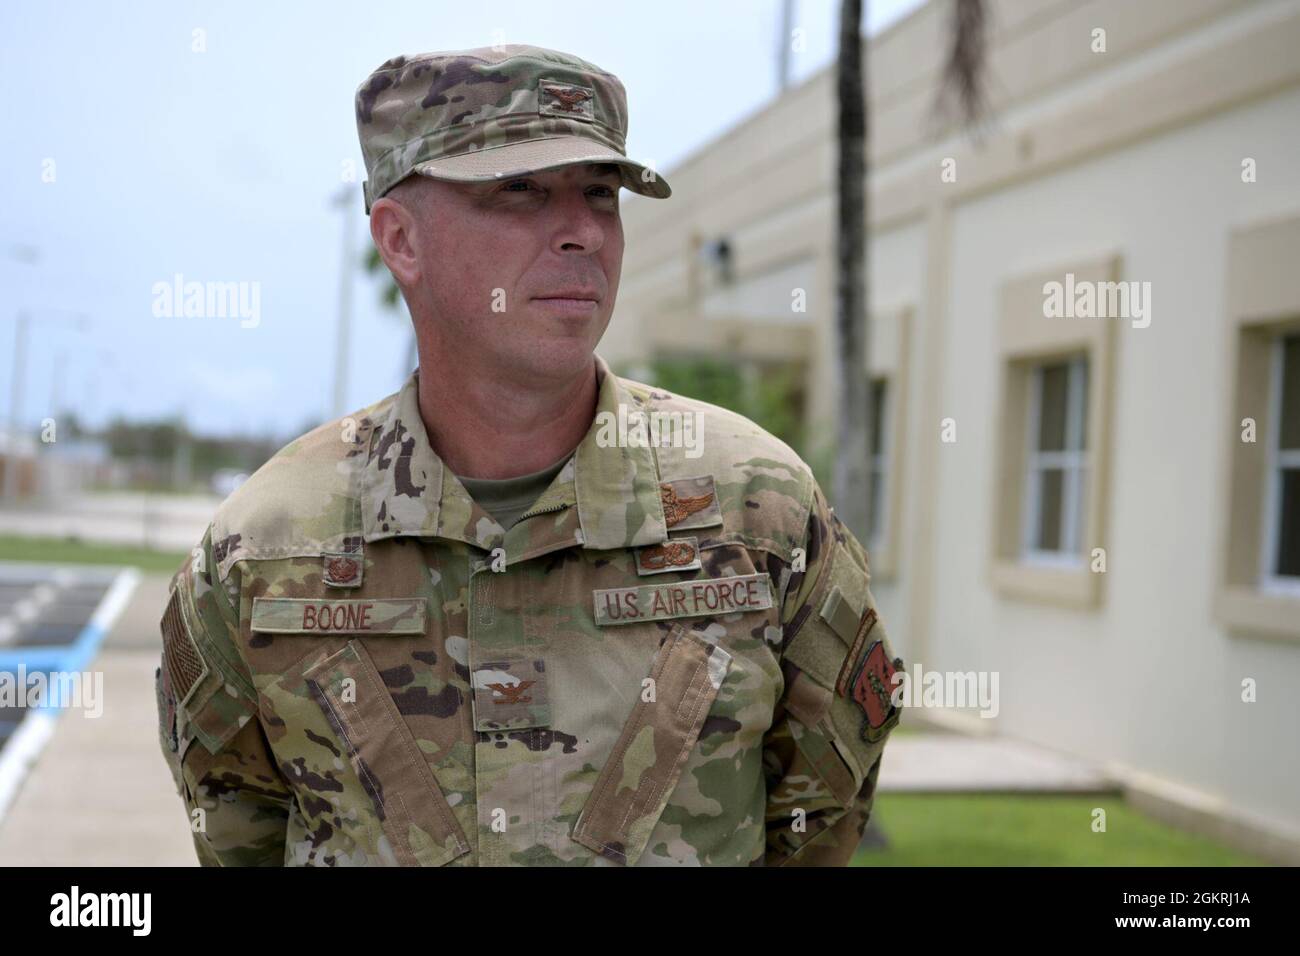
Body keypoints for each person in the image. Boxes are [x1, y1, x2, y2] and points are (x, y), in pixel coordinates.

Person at [154, 43, 903, 867]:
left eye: (598, 193)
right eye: (520, 192)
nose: (583, 231)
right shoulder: (263, 549)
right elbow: (236, 831)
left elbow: (821, 816)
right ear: (400, 240)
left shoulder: (760, 508)